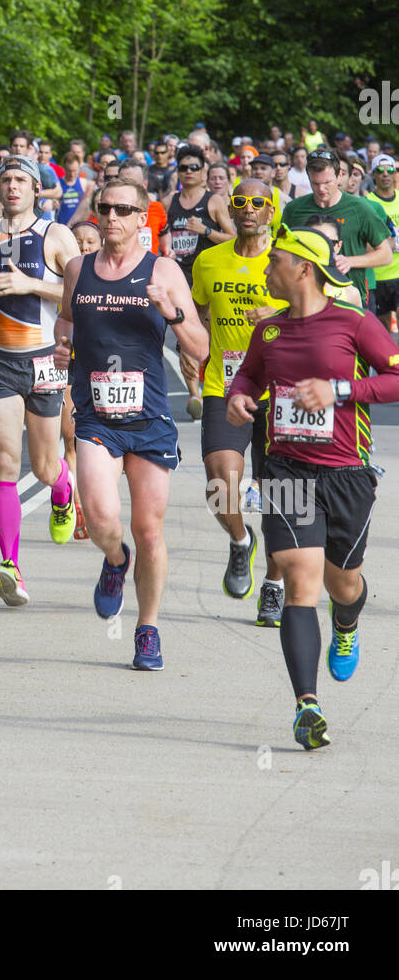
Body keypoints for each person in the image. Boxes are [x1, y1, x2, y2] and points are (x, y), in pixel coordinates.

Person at [227, 225, 399, 749]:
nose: (265, 268)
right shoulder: (269, 330)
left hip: (347, 472)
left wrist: (340, 390)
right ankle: (307, 705)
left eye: (274, 259)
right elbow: (249, 377)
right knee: (300, 583)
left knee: (341, 584)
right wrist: (238, 397)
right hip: (286, 470)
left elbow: (395, 378)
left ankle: (346, 623)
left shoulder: (353, 322)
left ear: (303, 267)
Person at [54, 178, 208, 669]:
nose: (113, 217)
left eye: (124, 209)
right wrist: (63, 345)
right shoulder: (78, 268)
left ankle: (148, 629)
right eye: (105, 208)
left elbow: (200, 348)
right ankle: (115, 562)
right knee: (99, 517)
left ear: (144, 217)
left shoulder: (162, 269)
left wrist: (174, 312)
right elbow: (66, 320)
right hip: (96, 413)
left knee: (149, 530)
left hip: (149, 418)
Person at [0, 155, 79, 605]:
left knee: (45, 468)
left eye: (20, 181)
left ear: (35, 189)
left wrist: (33, 286)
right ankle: (11, 566)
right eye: (5, 180)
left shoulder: (55, 235)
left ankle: (63, 491)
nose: (11, 187)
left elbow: (80, 292)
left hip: (45, 362)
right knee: (6, 463)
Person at [191, 181, 288, 625]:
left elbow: (318, 313)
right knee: (220, 480)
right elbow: (198, 313)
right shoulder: (209, 260)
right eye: (240, 203)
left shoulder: (289, 262)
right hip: (225, 385)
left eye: (258, 203)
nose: (248, 210)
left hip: (281, 390)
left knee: (280, 497)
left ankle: (274, 585)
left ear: (271, 212)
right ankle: (239, 540)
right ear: (230, 209)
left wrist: (277, 316)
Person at [163, 144, 235, 418]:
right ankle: (195, 395)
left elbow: (232, 237)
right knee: (184, 335)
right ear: (178, 171)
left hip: (210, 277)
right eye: (184, 167)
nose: (189, 172)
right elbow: (161, 234)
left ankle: (213, 388)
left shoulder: (213, 201)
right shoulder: (170, 201)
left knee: (211, 334)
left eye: (195, 167)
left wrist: (205, 230)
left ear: (204, 170)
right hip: (181, 279)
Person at [281, 148, 392, 309]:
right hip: (305, 299)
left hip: (350, 299)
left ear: (339, 175)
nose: (321, 189)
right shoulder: (294, 209)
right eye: (315, 183)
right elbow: (283, 251)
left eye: (327, 183)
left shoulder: (360, 208)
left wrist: (350, 261)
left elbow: (386, 255)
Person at [60, 220, 103, 540]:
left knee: (100, 444)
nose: (85, 246)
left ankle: (96, 502)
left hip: (105, 369)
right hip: (69, 366)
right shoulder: (61, 276)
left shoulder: (115, 279)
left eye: (91, 241)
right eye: (79, 241)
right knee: (72, 439)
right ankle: (78, 507)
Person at [365, 155, 399, 330]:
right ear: (373, 174)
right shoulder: (368, 203)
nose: (385, 174)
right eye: (380, 170)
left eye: (390, 170)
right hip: (378, 276)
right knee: (383, 331)